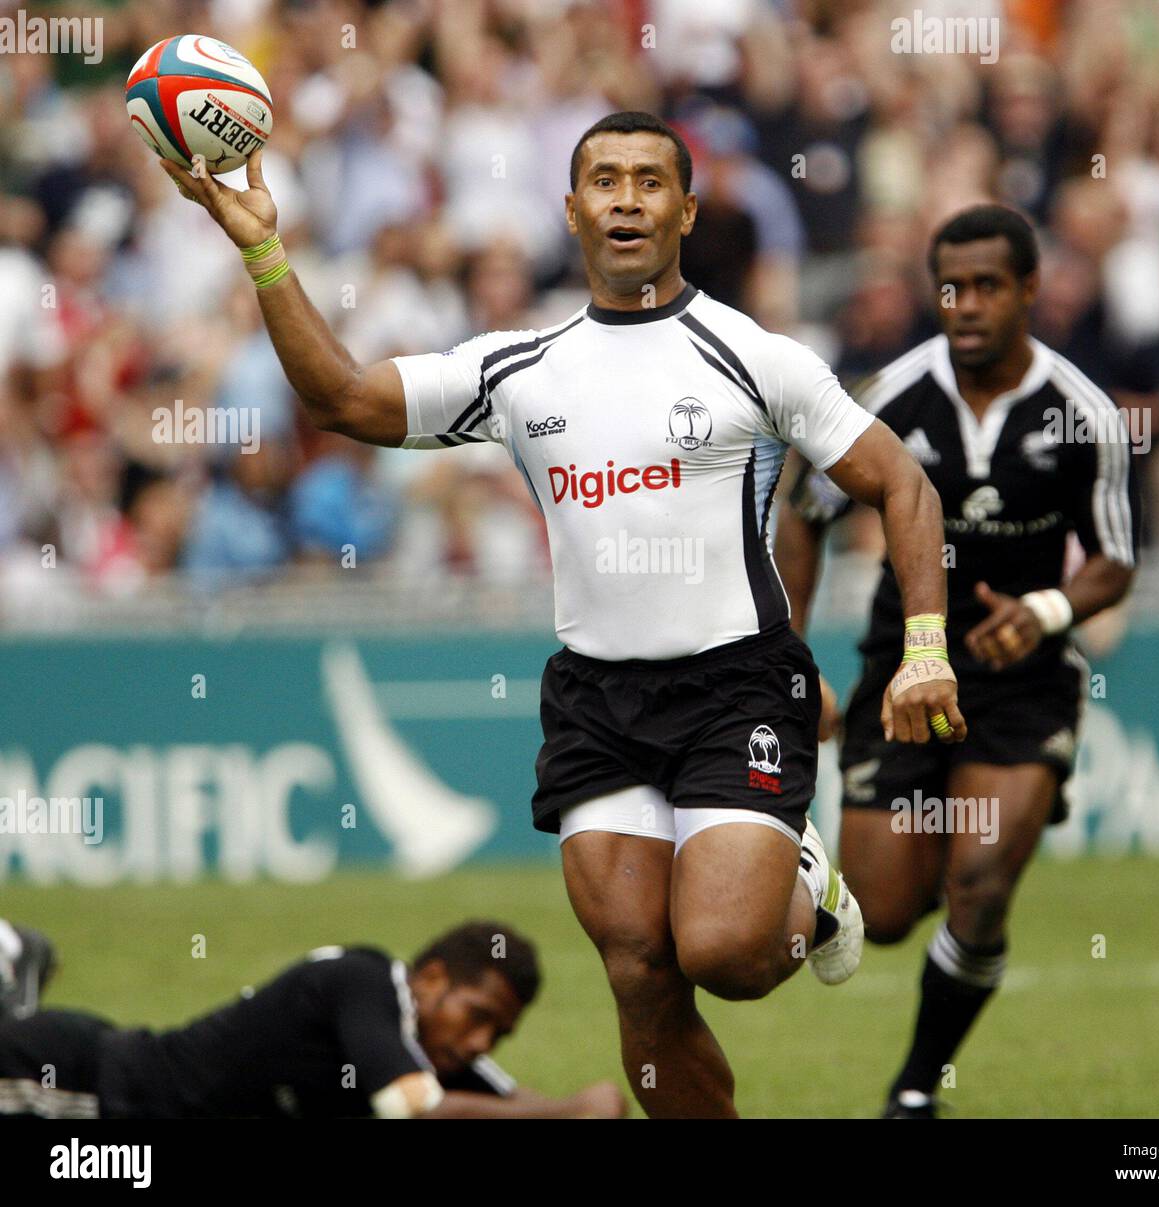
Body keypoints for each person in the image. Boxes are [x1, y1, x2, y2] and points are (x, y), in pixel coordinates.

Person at [160, 110, 962, 1119]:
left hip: (737, 685)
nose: (627, 198)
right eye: (606, 180)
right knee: (638, 971)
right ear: (571, 206)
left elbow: (904, 486)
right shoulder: (518, 366)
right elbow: (346, 400)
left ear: (685, 209)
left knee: (725, 953)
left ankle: (810, 874)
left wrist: (923, 649)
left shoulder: (755, 356)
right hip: (596, 701)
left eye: (649, 181)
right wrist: (263, 248)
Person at [775, 204, 1139, 1118]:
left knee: (978, 891)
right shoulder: (888, 397)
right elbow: (805, 511)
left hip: (1023, 680)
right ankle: (911, 866)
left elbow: (1113, 560)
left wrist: (1048, 610)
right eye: (950, 287)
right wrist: (786, 654)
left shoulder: (1084, 412)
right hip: (904, 671)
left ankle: (914, 1092)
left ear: (1027, 290)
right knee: (888, 914)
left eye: (986, 286)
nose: (965, 304)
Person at [0, 919, 625, 1119]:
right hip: (85, 1091)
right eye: (478, 1015)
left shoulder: (430, 1057)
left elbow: (527, 1110)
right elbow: (418, 1108)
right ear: (429, 977)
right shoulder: (365, 980)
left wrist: (593, 1106)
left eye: (499, 1034)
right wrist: (572, 1109)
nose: (481, 1041)